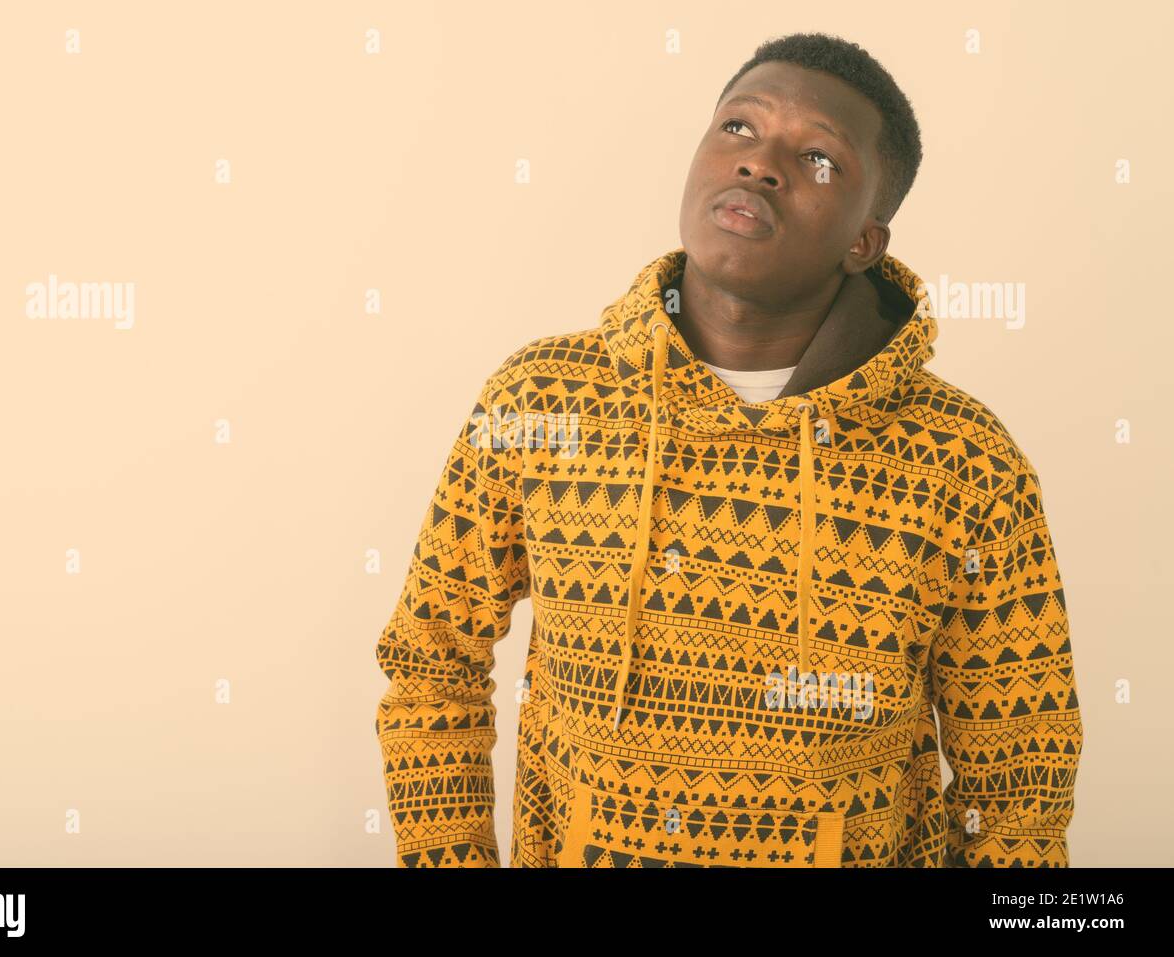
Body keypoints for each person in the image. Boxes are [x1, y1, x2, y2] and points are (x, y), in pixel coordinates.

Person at [373, 32, 1083, 868]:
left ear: (865, 241)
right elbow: (430, 661)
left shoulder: (964, 462)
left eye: (818, 157)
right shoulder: (540, 399)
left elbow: (1019, 781)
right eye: (739, 129)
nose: (760, 164)